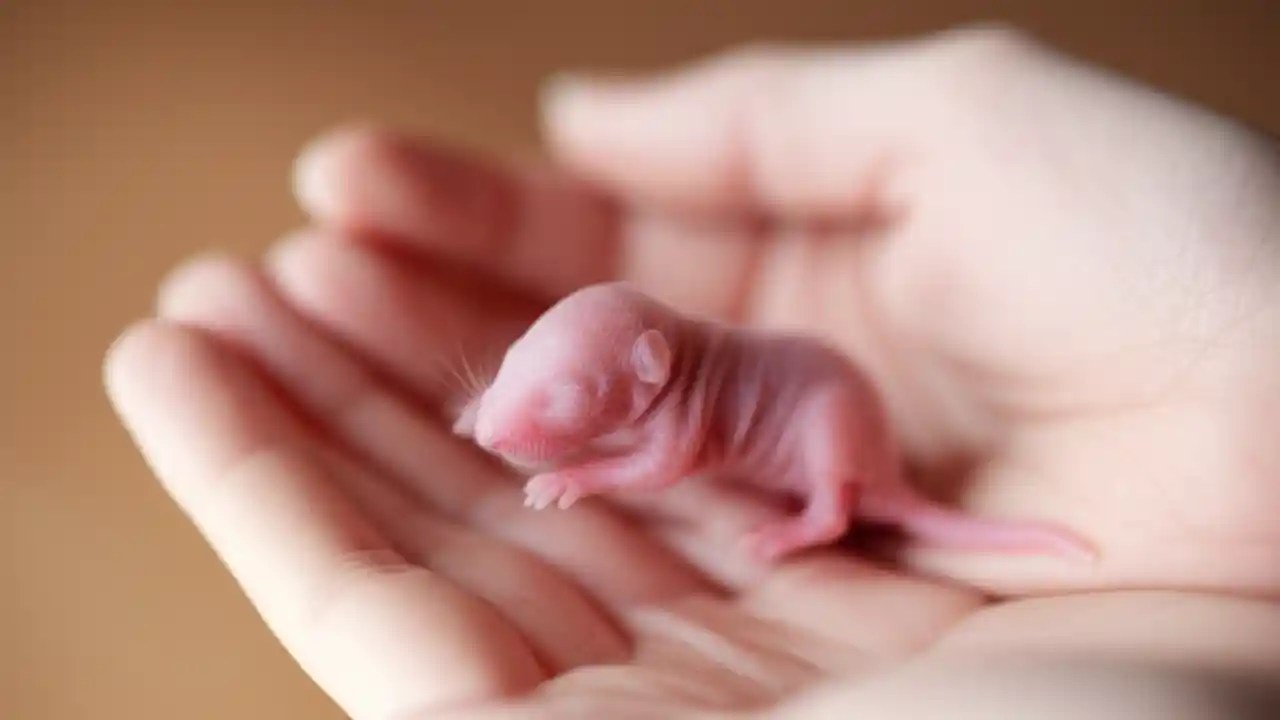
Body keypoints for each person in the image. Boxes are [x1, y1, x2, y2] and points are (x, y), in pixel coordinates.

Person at [104, 25, 1280, 719]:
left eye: (556, 400)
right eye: (519, 373)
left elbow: (672, 455)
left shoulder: (684, 410)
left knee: (824, 452)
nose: (517, 415)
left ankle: (830, 504)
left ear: (651, 368)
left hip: (834, 428)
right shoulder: (643, 363)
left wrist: (590, 480)